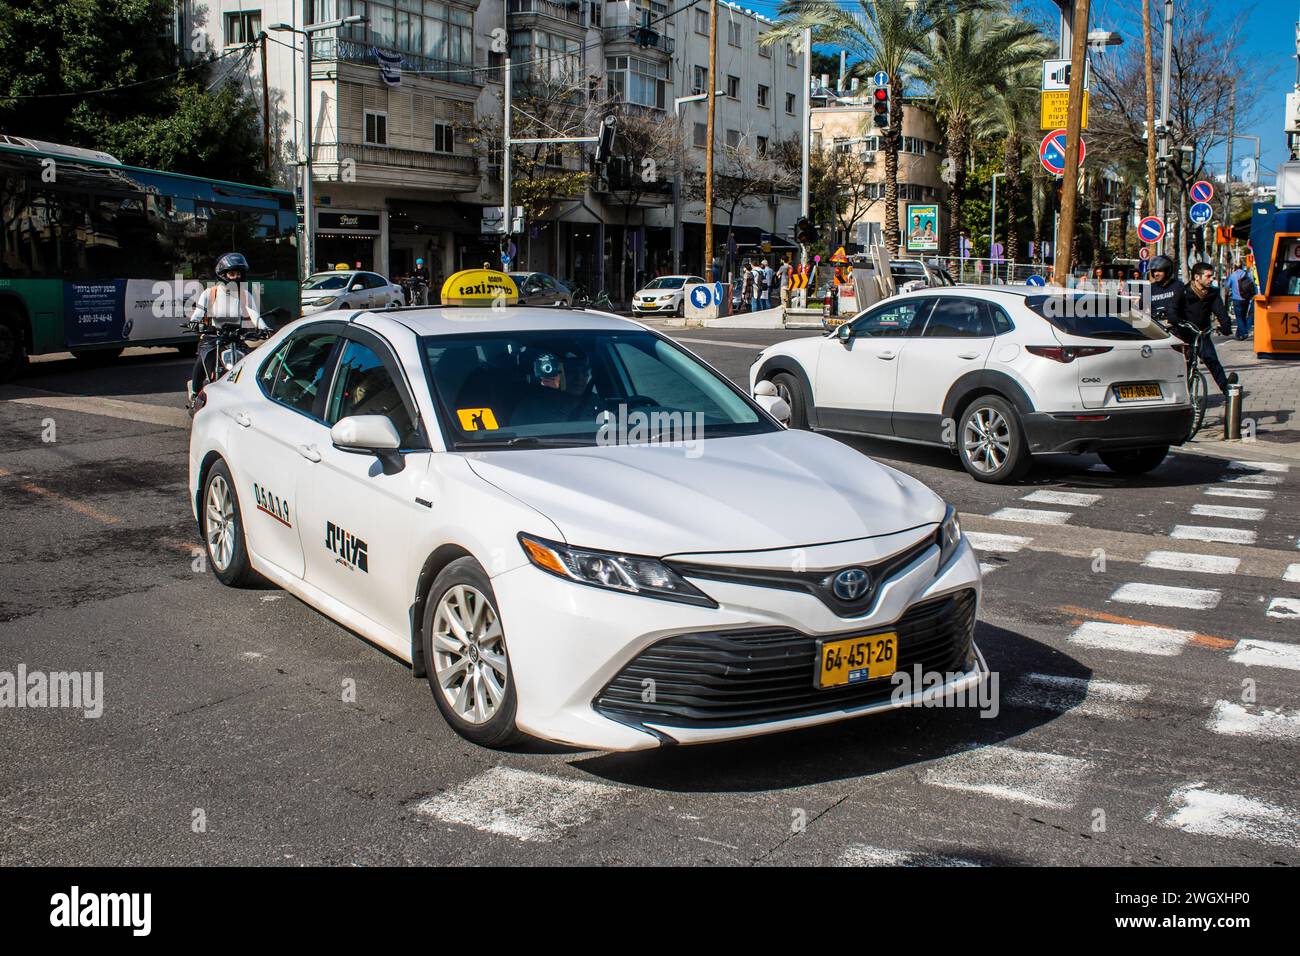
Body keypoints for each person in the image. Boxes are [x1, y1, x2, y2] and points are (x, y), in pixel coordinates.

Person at [188, 252, 266, 399]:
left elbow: (255, 315)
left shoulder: (245, 294)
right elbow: (198, 313)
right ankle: (194, 394)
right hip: (214, 336)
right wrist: (194, 323)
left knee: (251, 364)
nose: (236, 277)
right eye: (231, 274)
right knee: (201, 362)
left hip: (236, 337)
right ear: (222, 274)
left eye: (238, 274)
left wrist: (264, 328)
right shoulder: (210, 293)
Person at [1181, 262, 1237, 396]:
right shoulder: (1184, 292)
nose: (1211, 279)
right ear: (1197, 277)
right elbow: (1174, 310)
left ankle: (1226, 389)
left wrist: (1226, 326)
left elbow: (1221, 312)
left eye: (1212, 276)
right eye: (1208, 276)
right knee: (1183, 366)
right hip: (1184, 334)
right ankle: (1183, 395)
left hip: (1202, 333)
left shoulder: (1212, 293)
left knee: (1211, 359)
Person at [1227, 261, 1256, 341]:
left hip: (1236, 299)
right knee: (1244, 315)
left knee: (1239, 317)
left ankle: (1243, 333)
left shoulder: (1233, 275)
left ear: (1235, 267)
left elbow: (1227, 286)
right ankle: (1240, 332)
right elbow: (1253, 285)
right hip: (1246, 298)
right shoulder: (1247, 274)